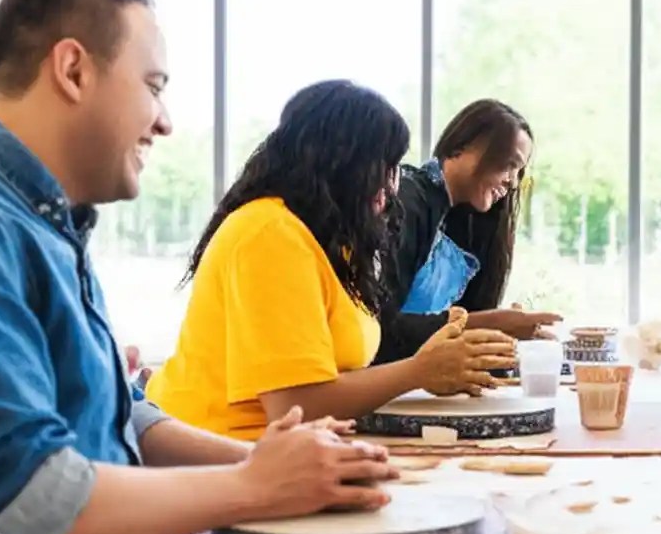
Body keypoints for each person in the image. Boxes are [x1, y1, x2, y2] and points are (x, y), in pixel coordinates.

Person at [0, 0, 398, 534]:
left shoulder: (41, 216)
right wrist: (257, 486)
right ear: (73, 69)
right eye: (153, 86)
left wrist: (286, 467)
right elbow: (30, 501)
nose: (165, 121)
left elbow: (126, 419)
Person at [146, 82, 518, 439]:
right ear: (341, 162)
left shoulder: (330, 244)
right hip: (219, 451)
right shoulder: (269, 232)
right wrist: (418, 371)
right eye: (385, 167)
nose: (393, 186)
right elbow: (295, 405)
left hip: (286, 450)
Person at [376, 99, 561, 364]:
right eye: (509, 163)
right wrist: (481, 325)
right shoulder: (408, 202)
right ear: (463, 143)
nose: (511, 182)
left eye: (518, 172)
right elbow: (378, 330)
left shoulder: (468, 223)